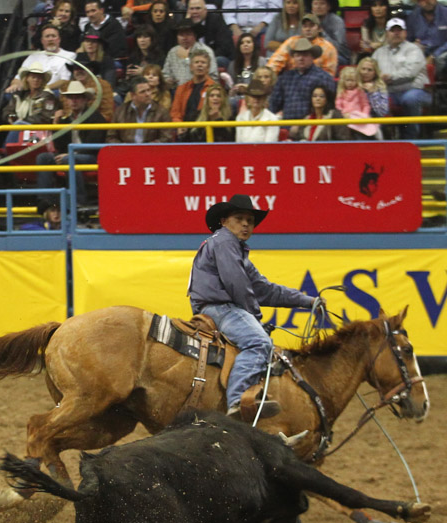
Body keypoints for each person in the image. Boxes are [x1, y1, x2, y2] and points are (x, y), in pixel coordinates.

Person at [187, 194, 315, 419]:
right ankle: (237, 401)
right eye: (239, 218)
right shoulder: (226, 241)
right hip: (221, 309)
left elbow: (264, 289)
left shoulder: (232, 249)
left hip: (217, 308)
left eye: (250, 220)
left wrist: (307, 301)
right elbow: (236, 283)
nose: (246, 224)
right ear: (225, 221)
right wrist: (254, 316)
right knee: (258, 342)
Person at [36, 81, 107, 204]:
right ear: (67, 101)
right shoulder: (65, 119)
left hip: (92, 156)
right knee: (43, 158)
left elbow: (93, 145)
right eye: (71, 98)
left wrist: (70, 153)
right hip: (69, 155)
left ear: (85, 100)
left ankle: (78, 201)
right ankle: (46, 200)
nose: (74, 101)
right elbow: (59, 145)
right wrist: (56, 123)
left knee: (68, 159)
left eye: (77, 98)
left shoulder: (96, 117)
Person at [373, 18, 431, 139]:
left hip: (415, 90)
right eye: (392, 30)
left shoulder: (414, 50)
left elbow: (410, 73)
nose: (396, 33)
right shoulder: (379, 52)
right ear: (387, 33)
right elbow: (371, 69)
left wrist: (390, 77)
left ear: (405, 33)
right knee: (375, 98)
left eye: (399, 30)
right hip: (389, 92)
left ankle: (411, 139)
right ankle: (385, 139)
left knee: (410, 98)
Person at [269, 37, 336, 119]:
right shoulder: (284, 78)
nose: (301, 58)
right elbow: (273, 104)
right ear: (293, 58)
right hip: (286, 124)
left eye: (305, 55)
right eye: (297, 55)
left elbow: (329, 107)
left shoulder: (323, 77)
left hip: (312, 125)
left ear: (312, 57)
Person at [6, 25, 77, 92]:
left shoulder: (70, 56)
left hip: (54, 93)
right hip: (32, 92)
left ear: (59, 39)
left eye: (53, 36)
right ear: (42, 40)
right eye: (47, 36)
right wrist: (15, 85)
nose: (50, 39)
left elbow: (65, 80)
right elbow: (18, 77)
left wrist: (44, 89)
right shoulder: (33, 56)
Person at [1, 66, 60, 143]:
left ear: (42, 81)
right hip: (17, 127)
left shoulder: (48, 96)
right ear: (27, 79)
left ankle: (7, 152)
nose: (36, 80)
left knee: (19, 125)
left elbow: (45, 117)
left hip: (38, 131)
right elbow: (7, 110)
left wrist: (22, 121)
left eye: (39, 78)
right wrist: (11, 117)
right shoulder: (19, 95)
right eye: (33, 77)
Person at [108, 76, 175, 142]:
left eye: (149, 90)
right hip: (126, 151)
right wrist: (124, 148)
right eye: (142, 92)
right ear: (133, 95)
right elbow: (111, 137)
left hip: (152, 151)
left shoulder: (162, 112)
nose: (148, 94)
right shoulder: (120, 111)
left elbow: (167, 138)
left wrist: (147, 148)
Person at [268, 13, 338, 75]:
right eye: (305, 26)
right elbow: (275, 62)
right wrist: (269, 77)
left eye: (311, 26)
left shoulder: (328, 48)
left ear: (319, 29)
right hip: (291, 81)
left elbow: (328, 75)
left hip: (317, 83)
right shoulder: (292, 41)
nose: (308, 29)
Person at [163, 19, 219, 89]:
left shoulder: (206, 51)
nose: (184, 38)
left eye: (188, 34)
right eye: (181, 35)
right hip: (176, 90)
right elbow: (166, 74)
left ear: (195, 36)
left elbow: (214, 77)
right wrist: (168, 80)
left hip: (200, 89)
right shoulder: (173, 52)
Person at [171, 48, 217, 122]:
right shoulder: (181, 88)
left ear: (208, 67)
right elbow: (175, 113)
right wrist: (179, 126)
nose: (199, 65)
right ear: (191, 67)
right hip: (184, 128)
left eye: (203, 62)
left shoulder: (215, 88)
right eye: (196, 62)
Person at [184, 0, 234, 67]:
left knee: (218, 60)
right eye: (192, 9)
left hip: (217, 57)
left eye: (198, 8)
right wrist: (186, 22)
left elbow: (224, 48)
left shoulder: (216, 20)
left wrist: (205, 58)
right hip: (194, 59)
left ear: (205, 10)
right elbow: (182, 47)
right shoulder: (186, 23)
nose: (195, 12)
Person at [335, 65, 379, 139]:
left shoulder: (360, 92)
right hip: (346, 118)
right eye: (348, 80)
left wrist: (364, 115)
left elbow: (365, 105)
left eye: (352, 80)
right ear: (343, 81)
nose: (350, 83)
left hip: (359, 118)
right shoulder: (341, 93)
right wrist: (343, 114)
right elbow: (338, 106)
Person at [120, 25, 165, 97]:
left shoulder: (159, 56)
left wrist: (143, 72)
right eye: (139, 37)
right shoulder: (133, 56)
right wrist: (127, 75)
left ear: (152, 39)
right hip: (133, 87)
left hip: (153, 89)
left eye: (145, 37)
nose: (142, 40)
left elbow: (160, 76)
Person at [406, 0, 447, 73]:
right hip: (421, 53)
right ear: (418, 2)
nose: (428, 1)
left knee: (441, 59)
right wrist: (414, 45)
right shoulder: (413, 17)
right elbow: (408, 40)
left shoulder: (445, 13)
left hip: (442, 52)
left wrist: (434, 55)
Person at [229, 32, 267, 100]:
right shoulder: (233, 64)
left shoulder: (262, 61)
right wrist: (235, 89)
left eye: (248, 42)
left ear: (254, 45)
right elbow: (229, 87)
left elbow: (265, 84)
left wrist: (247, 87)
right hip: (238, 97)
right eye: (242, 43)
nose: (245, 44)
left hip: (257, 96)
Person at [310, 0, 349, 66]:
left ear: (329, 7)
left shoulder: (337, 21)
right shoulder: (309, 20)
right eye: (316, 4)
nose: (318, 7)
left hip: (338, 56)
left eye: (322, 4)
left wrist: (322, 33)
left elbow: (339, 48)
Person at [357, 55, 390, 120]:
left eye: (370, 70)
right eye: (363, 69)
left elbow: (382, 112)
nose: (365, 72)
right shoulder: (353, 84)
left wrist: (372, 93)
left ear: (375, 73)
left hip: (372, 119)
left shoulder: (380, 86)